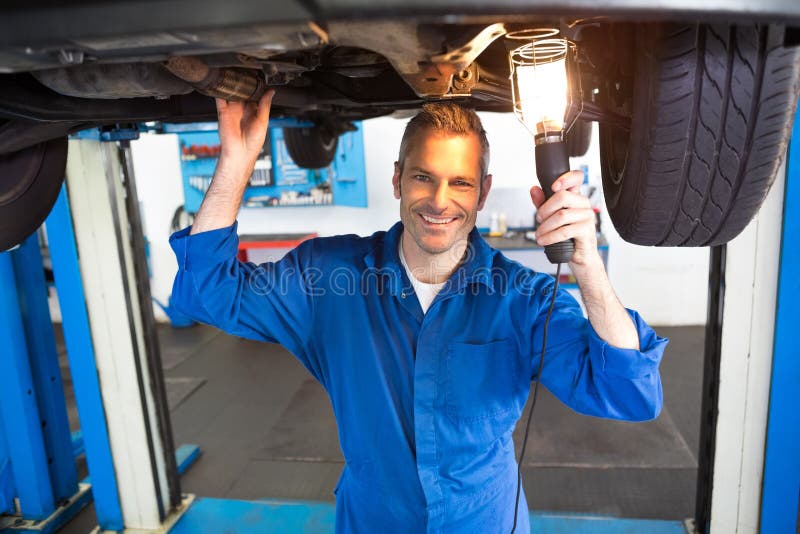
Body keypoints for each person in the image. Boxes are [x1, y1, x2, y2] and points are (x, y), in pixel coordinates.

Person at [169, 90, 668, 533]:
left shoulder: (523, 298)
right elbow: (207, 289)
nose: (439, 200)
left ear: (484, 192)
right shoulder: (328, 279)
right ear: (397, 180)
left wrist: (588, 267)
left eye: (461, 183)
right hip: (373, 520)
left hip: (485, 522)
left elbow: (628, 392)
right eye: (423, 177)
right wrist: (236, 161)